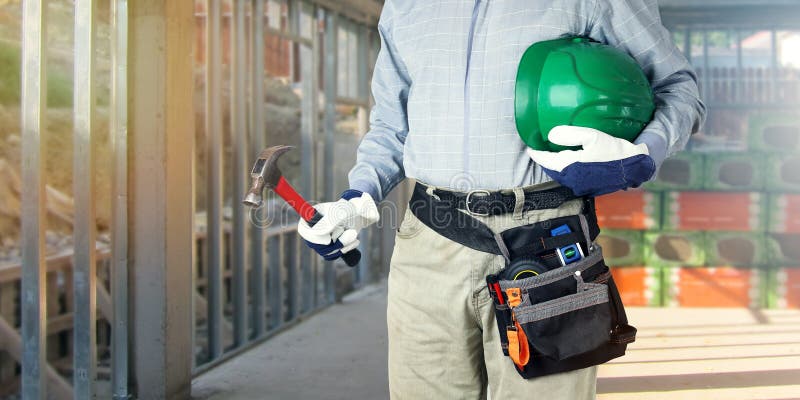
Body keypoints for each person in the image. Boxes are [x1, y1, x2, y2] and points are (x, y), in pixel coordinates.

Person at [297, 1, 706, 398]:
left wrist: (642, 153)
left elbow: (677, 88)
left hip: (547, 246)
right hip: (429, 243)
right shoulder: (406, 7)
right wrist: (358, 195)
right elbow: (391, 123)